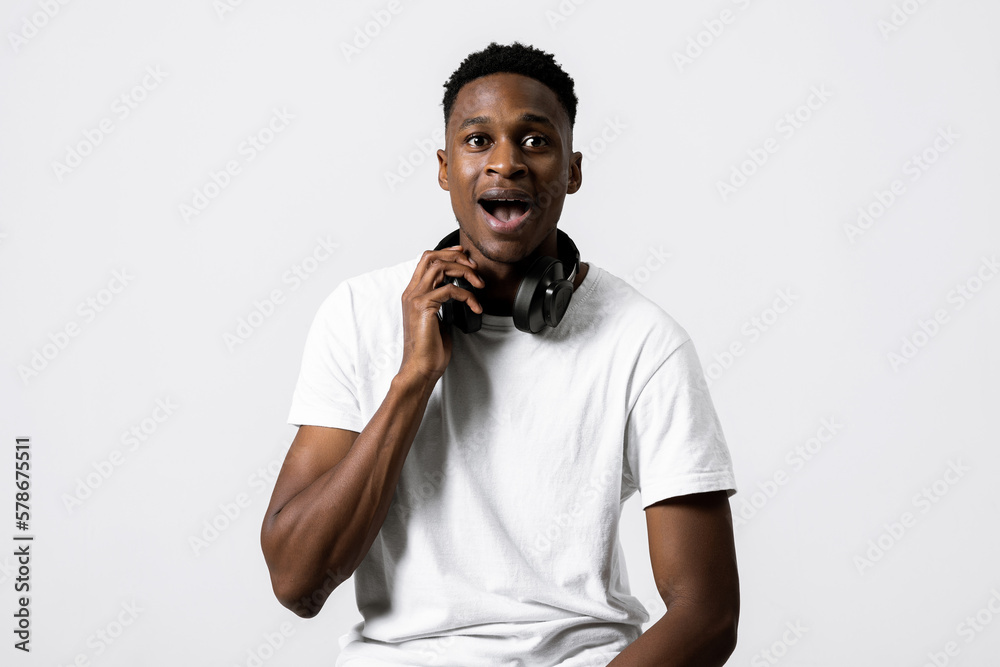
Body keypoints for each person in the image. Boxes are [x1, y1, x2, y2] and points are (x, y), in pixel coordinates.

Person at [260, 41, 740, 667]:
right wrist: (413, 379)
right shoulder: (358, 314)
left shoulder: (645, 342)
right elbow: (297, 582)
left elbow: (706, 614)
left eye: (535, 141)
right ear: (444, 167)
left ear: (572, 171)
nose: (506, 163)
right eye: (478, 140)